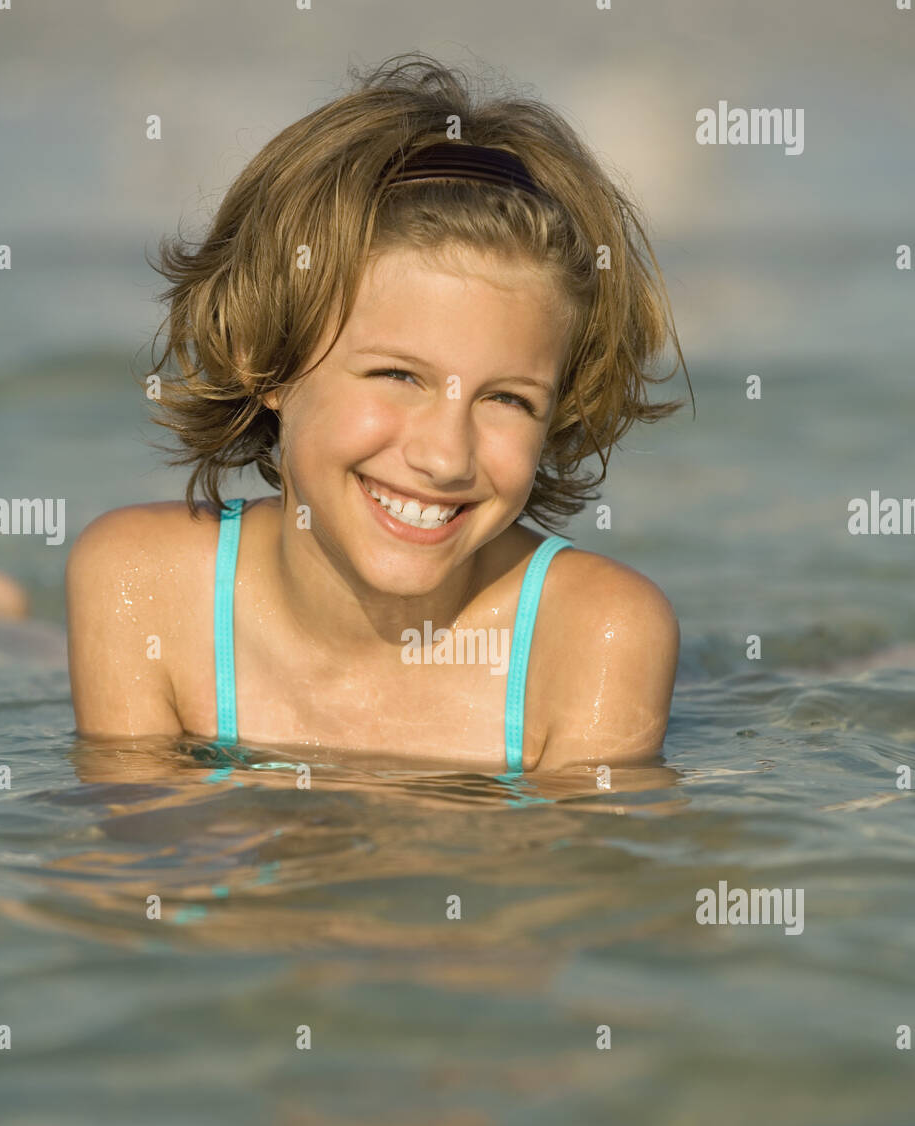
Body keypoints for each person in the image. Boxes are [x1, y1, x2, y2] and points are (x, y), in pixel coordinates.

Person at [66, 53, 689, 776]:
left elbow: (567, 886)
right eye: (397, 375)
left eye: (506, 399)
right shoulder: (143, 583)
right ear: (264, 358)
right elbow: (132, 868)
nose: (445, 456)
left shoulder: (595, 635)